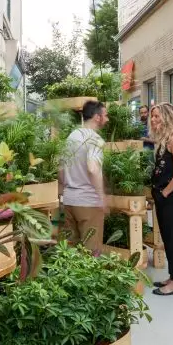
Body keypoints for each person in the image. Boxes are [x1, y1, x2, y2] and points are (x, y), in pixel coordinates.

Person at [59, 101, 109, 253]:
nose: (107, 119)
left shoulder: (71, 137)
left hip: (69, 201)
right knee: (91, 253)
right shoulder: (95, 139)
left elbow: (60, 168)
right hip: (89, 202)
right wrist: (101, 197)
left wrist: (65, 188)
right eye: (105, 115)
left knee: (70, 251)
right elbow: (93, 169)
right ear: (97, 117)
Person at [149, 103, 173, 295]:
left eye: (157, 116)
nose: (154, 120)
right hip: (162, 195)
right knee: (167, 237)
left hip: (170, 196)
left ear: (168, 117)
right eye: (153, 116)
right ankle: (172, 277)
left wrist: (165, 193)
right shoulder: (163, 138)